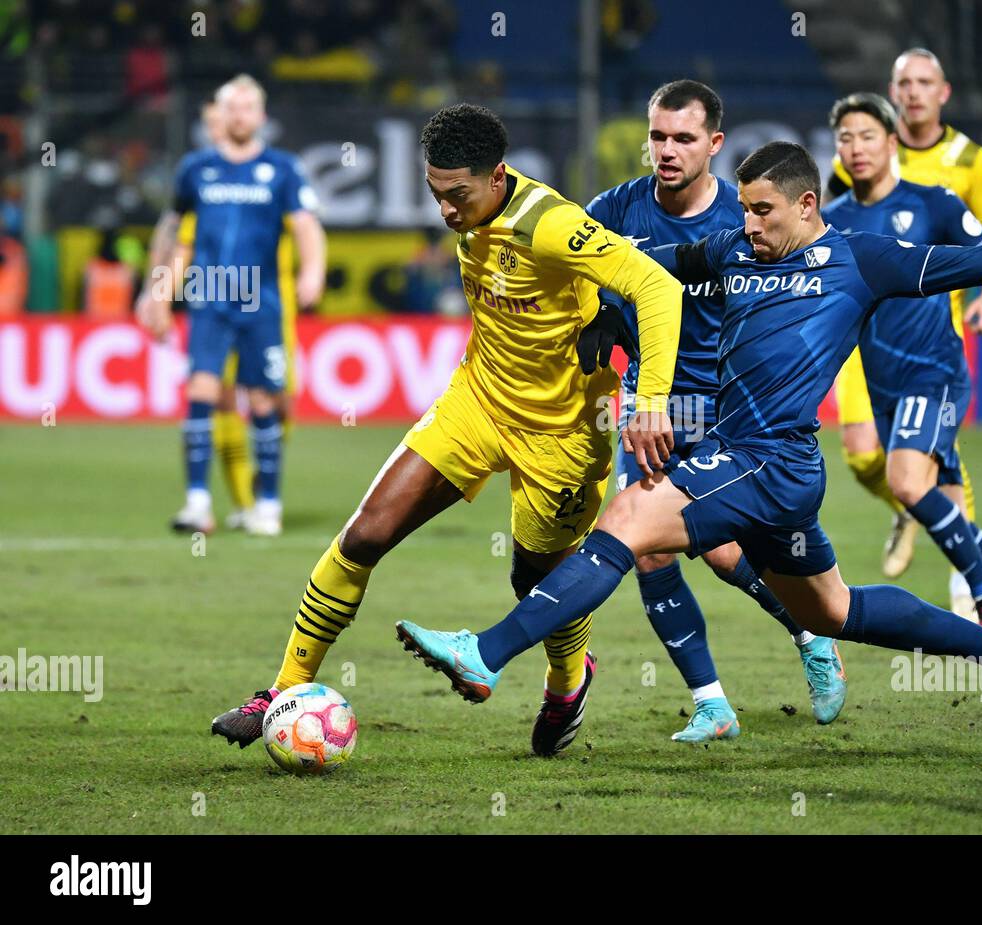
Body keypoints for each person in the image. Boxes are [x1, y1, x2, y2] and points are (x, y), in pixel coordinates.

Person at [392, 140, 982, 736]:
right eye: (746, 210)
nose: (749, 224)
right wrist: (597, 313)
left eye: (763, 211)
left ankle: (485, 653)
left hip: (770, 460)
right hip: (759, 466)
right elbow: (638, 266)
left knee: (628, 519)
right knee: (832, 611)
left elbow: (978, 261)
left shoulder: (862, 260)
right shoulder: (730, 249)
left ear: (807, 204)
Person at [211, 103, 684, 758]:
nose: (446, 210)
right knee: (365, 533)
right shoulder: (471, 213)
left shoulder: (550, 224)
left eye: (458, 195)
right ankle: (284, 689)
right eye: (436, 193)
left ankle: (567, 681)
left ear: (498, 177)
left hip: (564, 432)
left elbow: (657, 288)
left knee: (535, 582)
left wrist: (650, 399)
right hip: (478, 401)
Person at [585, 79, 846, 742]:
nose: (667, 150)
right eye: (658, 136)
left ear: (714, 144)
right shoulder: (613, 210)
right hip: (649, 406)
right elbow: (579, 278)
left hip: (725, 409)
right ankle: (711, 703)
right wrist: (599, 317)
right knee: (647, 551)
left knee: (728, 553)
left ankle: (810, 632)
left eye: (684, 138)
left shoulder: (746, 219)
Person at [823, 93, 982, 649]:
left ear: (891, 142)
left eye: (867, 136)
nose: (856, 148)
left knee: (907, 483)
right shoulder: (832, 222)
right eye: (845, 139)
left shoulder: (933, 203)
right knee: (953, 517)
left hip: (935, 374)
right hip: (884, 386)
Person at [828, 49, 982, 621]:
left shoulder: (956, 176)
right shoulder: (840, 202)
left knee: (915, 475)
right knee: (876, 464)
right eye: (903, 82)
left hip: (932, 352)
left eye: (924, 82)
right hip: (871, 353)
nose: (913, 92)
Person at [136, 75, 325, 537]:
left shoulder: (282, 168)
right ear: (220, 116)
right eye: (231, 108)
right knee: (201, 392)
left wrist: (313, 271)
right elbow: (174, 235)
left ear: (261, 116)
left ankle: (267, 504)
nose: (239, 116)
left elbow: (306, 225)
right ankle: (198, 504)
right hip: (209, 297)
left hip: (263, 300)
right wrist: (158, 290)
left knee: (264, 400)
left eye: (247, 108)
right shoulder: (196, 168)